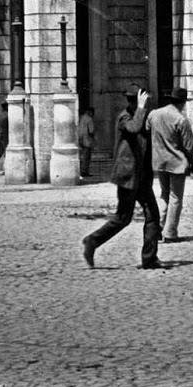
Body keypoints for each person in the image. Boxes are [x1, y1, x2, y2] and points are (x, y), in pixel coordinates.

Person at [81, 88, 162, 270]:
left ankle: (149, 259)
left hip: (140, 178)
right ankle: (92, 241)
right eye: (142, 102)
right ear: (135, 101)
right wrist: (141, 108)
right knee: (123, 218)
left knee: (153, 216)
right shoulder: (124, 118)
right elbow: (133, 128)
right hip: (127, 177)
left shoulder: (140, 117)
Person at [148, 86, 193, 242]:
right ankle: (170, 233)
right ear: (183, 103)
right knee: (176, 198)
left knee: (164, 195)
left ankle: (157, 229)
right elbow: (190, 148)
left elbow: (146, 130)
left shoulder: (154, 114)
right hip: (177, 164)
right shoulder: (181, 120)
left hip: (159, 162)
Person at [77, 105, 96, 177]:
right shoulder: (89, 119)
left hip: (80, 139)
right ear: (90, 112)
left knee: (81, 156)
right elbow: (91, 131)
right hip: (87, 140)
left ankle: (81, 170)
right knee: (87, 157)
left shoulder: (81, 118)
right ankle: (84, 171)